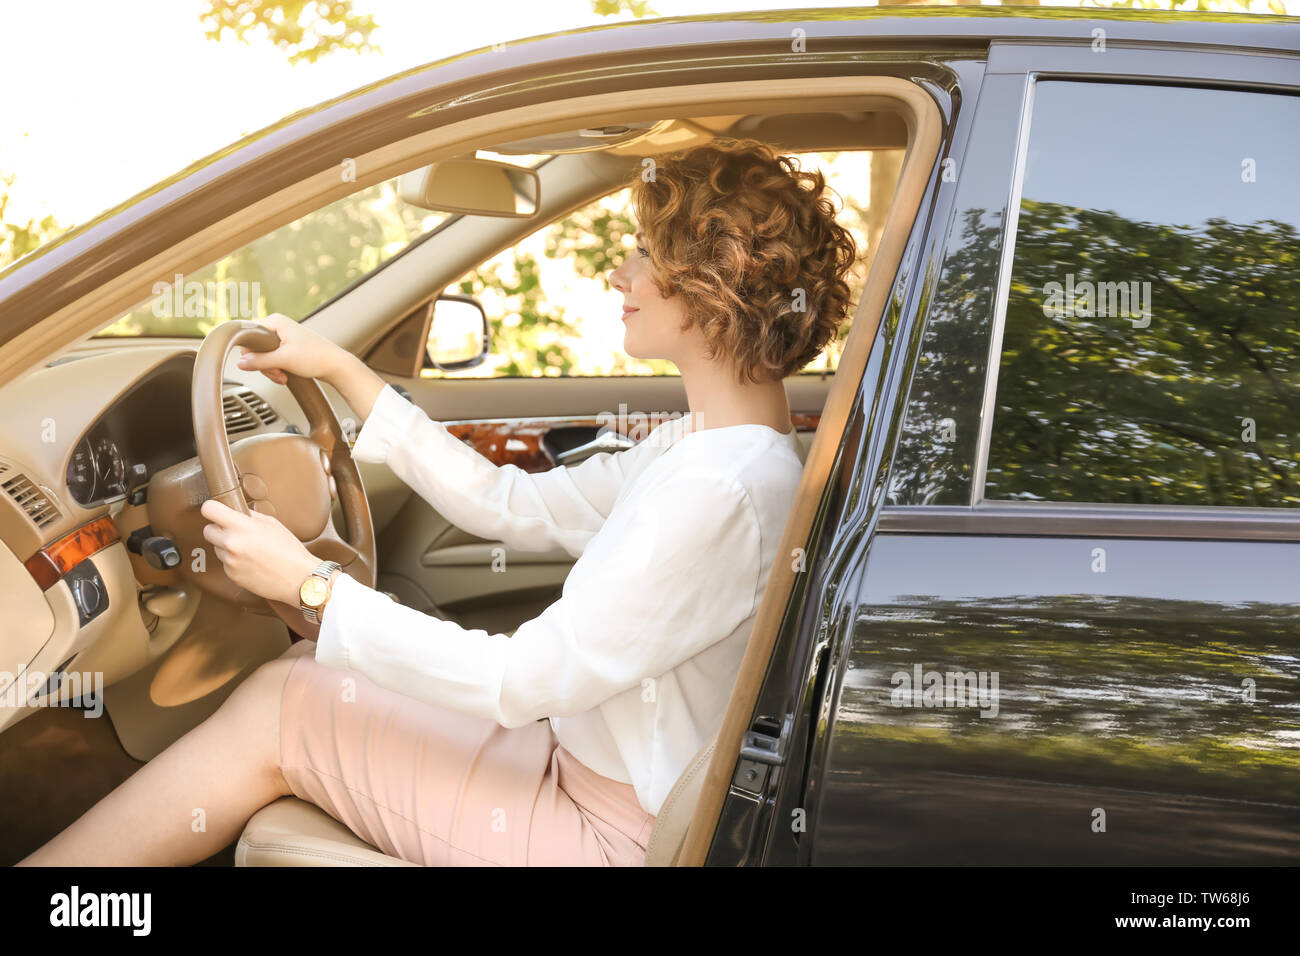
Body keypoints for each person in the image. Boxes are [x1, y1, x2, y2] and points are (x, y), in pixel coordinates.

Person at [18, 137, 857, 867]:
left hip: (607, 833)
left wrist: (310, 586)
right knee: (309, 673)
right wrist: (343, 372)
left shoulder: (719, 489)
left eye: (643, 253)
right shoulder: (717, 448)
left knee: (282, 709)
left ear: (714, 283)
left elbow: (521, 678)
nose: (619, 273)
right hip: (581, 770)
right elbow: (512, 504)